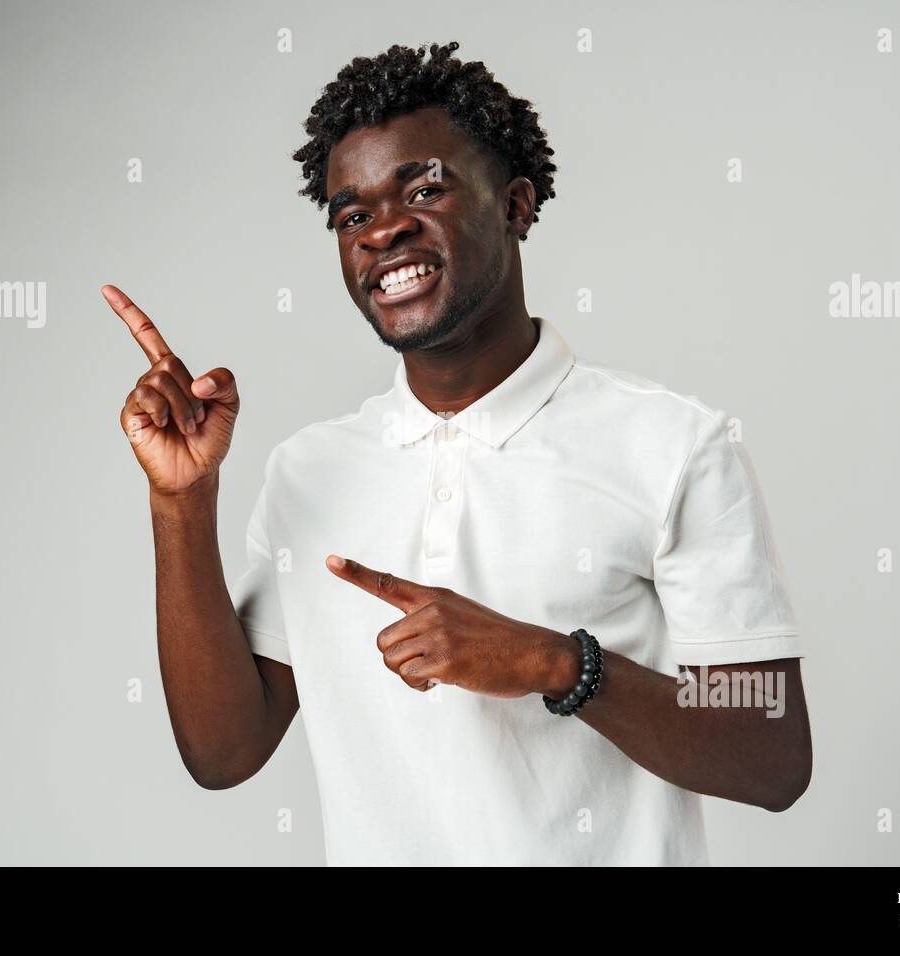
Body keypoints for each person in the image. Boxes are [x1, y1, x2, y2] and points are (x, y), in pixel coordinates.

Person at [101, 41, 811, 865]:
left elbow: (772, 757)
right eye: (352, 214)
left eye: (426, 189)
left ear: (516, 205)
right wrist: (181, 503)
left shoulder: (674, 446)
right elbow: (225, 753)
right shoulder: (308, 472)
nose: (384, 230)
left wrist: (557, 662)